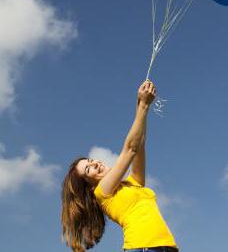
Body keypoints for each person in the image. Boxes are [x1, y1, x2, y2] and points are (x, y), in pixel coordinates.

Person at [61, 81, 179, 252]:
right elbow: (130, 150)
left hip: (166, 248)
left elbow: (139, 144)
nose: (95, 163)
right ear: (88, 184)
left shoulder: (134, 183)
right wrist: (144, 105)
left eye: (91, 160)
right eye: (89, 169)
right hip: (142, 248)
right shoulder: (103, 192)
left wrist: (139, 104)